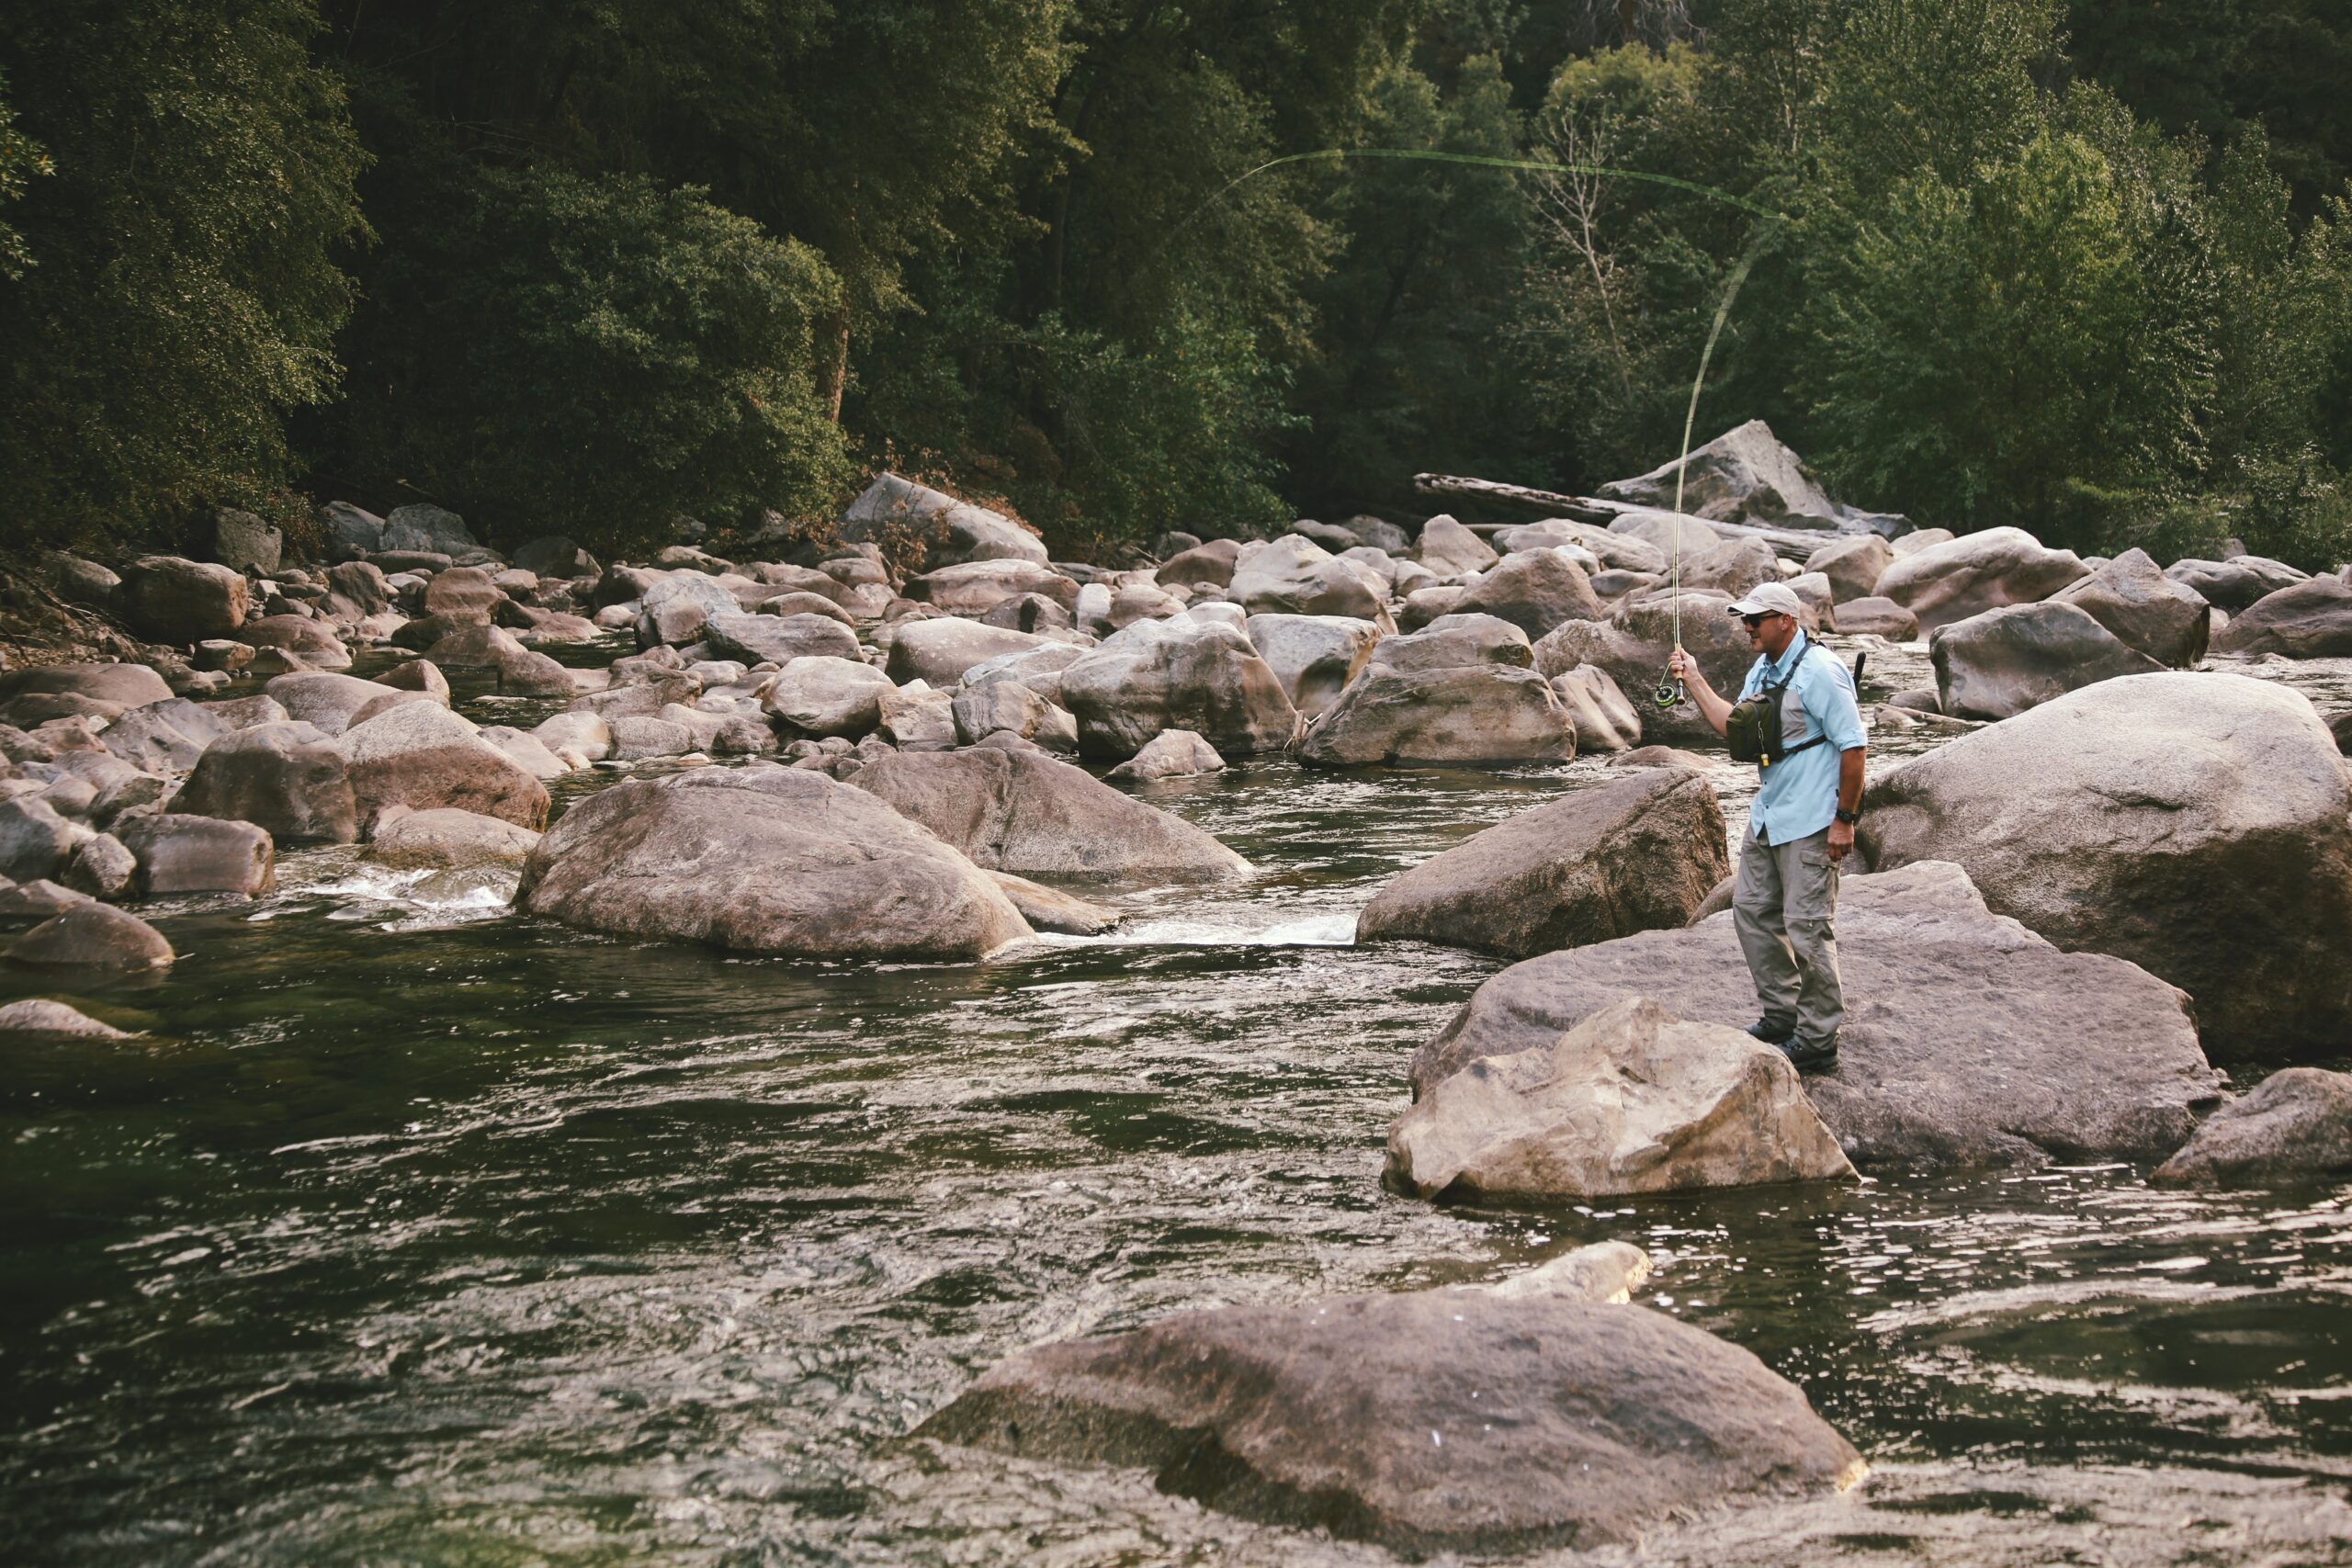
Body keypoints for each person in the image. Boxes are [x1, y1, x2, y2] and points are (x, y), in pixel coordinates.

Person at [1666, 581, 1866, 1073]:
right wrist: (1692, 678)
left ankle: (1818, 1039)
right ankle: (1782, 1016)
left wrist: (1844, 821)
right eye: (1744, 619)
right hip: (1769, 815)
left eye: (1756, 619)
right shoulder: (1763, 668)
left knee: (1807, 926)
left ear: (1786, 621)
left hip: (1813, 819)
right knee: (1752, 913)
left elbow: (1854, 748)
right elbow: (1732, 725)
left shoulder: (1822, 671)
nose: (1747, 627)